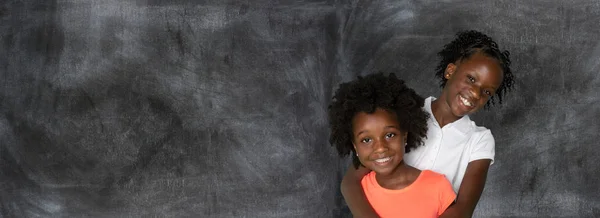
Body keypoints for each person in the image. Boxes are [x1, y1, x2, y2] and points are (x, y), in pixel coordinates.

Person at [340, 30, 515, 218]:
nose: (475, 93)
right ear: (450, 71)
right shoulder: (404, 113)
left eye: (487, 92)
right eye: (471, 79)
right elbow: (351, 182)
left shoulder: (479, 139)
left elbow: (463, 210)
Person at [328, 73, 457, 217]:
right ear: (354, 146)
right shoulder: (360, 191)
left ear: (405, 135)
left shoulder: (437, 186)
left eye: (390, 135)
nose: (381, 147)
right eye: (366, 140)